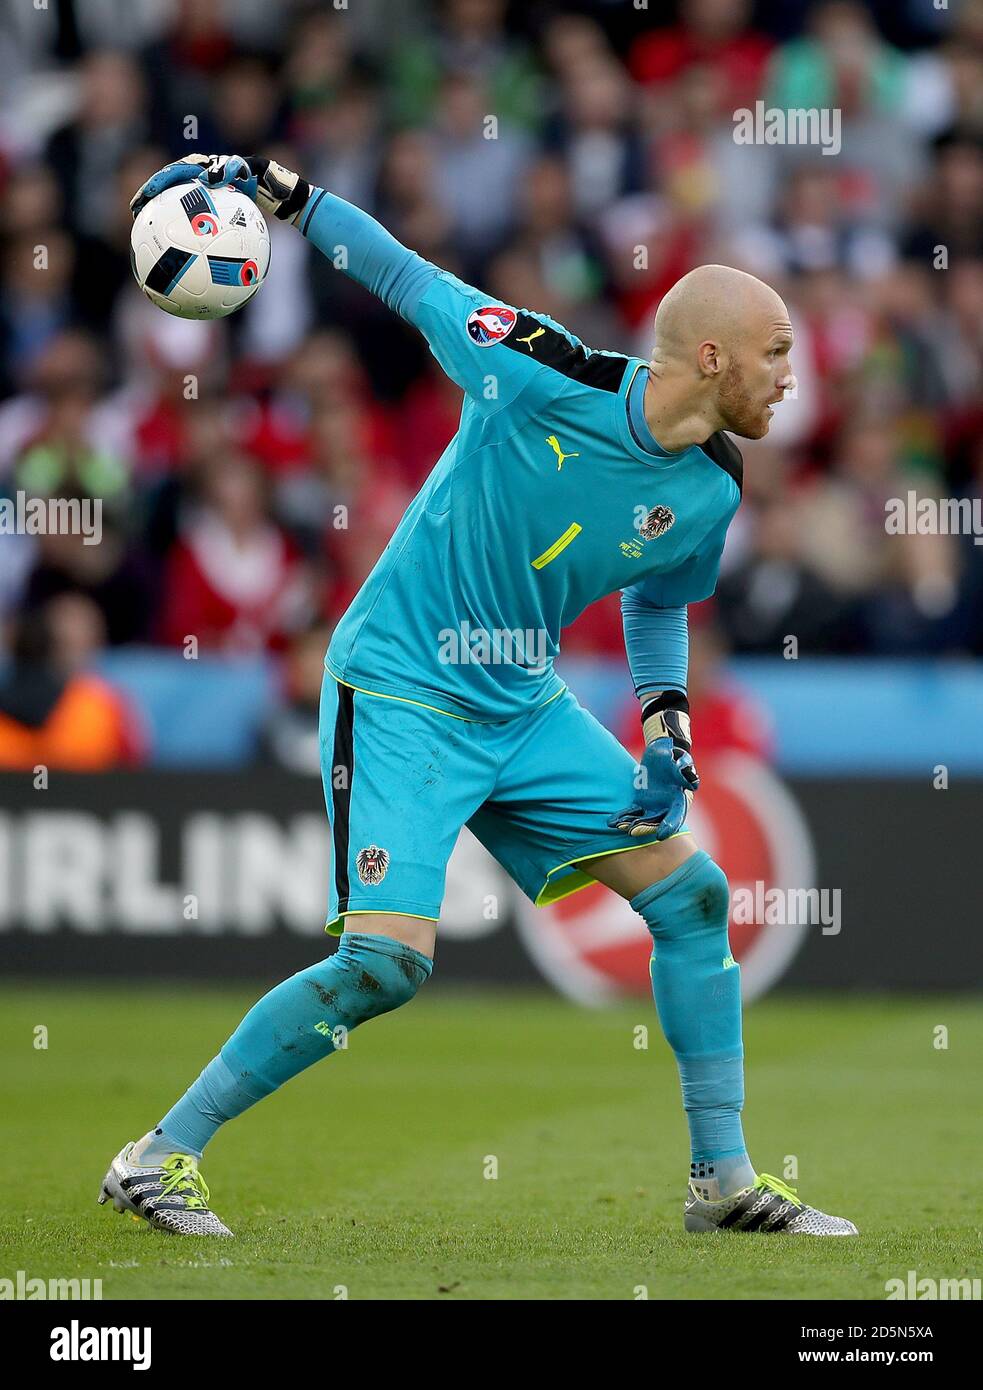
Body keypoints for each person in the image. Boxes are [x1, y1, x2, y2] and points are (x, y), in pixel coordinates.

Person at [98, 153, 857, 1238]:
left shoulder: (709, 484)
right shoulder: (536, 366)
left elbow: (652, 604)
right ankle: (155, 1156)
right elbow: (408, 279)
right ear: (708, 356)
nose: (794, 373)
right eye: (776, 353)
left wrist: (664, 728)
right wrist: (291, 198)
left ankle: (721, 1183)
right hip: (400, 685)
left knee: (690, 899)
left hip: (520, 702)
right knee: (385, 965)